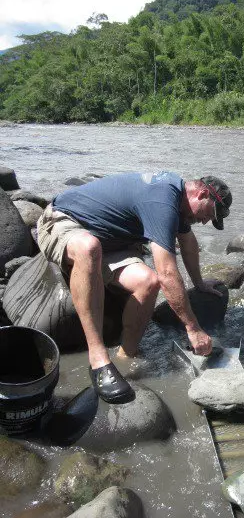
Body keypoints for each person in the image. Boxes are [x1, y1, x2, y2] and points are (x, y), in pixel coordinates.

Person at [37, 171, 232, 404]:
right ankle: (98, 359)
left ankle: (126, 356)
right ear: (200, 193)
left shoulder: (179, 204)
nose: (205, 221)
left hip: (111, 243)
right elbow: (168, 272)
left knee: (148, 282)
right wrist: (193, 328)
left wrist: (199, 284)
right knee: (89, 248)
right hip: (65, 223)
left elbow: (188, 243)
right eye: (209, 214)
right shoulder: (162, 200)